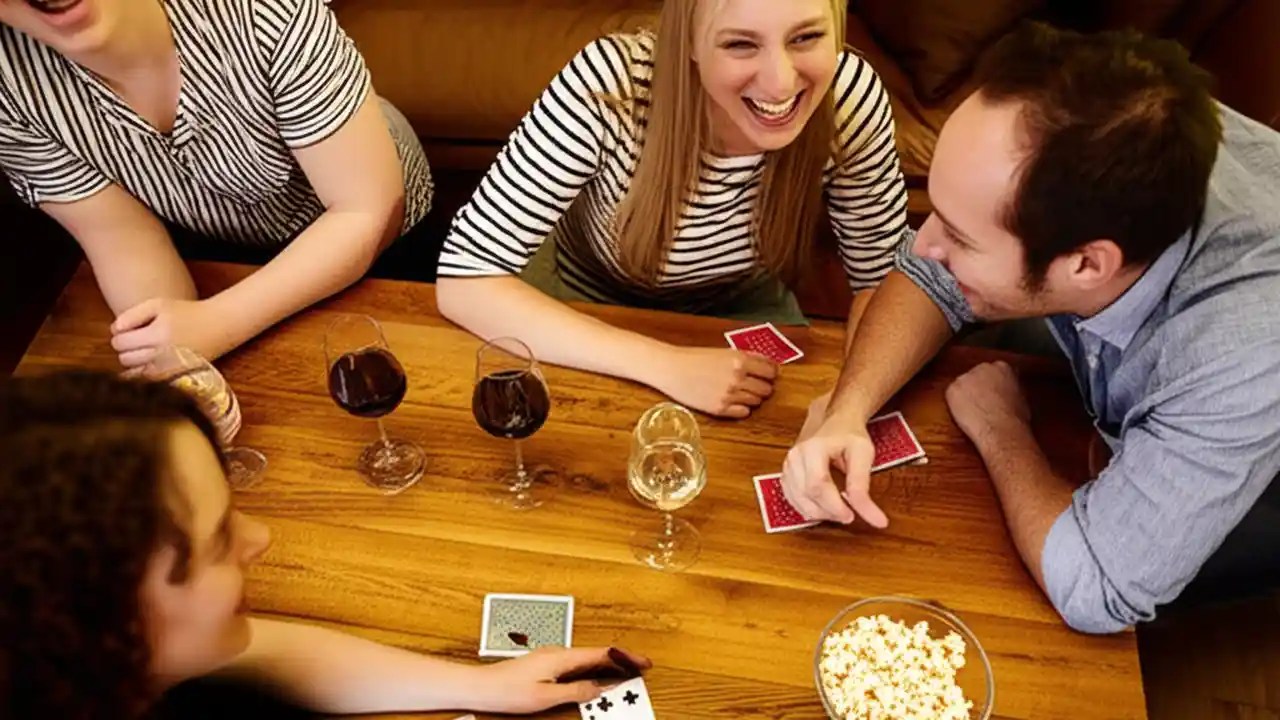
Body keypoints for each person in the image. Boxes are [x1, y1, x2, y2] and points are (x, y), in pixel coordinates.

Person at [781, 23, 1280, 633]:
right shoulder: (1129, 131)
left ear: (1088, 265)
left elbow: (1097, 587)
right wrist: (845, 410)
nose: (923, 243)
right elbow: (927, 276)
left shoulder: (1238, 351)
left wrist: (1002, 431)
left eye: (960, 237)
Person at [0, 371, 650, 719]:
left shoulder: (115, 662)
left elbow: (260, 650)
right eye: (220, 540)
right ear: (102, 622)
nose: (261, 538)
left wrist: (480, 686)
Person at [435, 0, 907, 419]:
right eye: (741, 45)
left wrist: (849, 409)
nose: (781, 82)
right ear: (689, 42)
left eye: (806, 37)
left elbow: (889, 287)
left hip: (742, 304)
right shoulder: (609, 85)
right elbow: (464, 279)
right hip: (580, 296)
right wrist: (666, 364)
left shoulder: (850, 98)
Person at [0, 0, 433, 369]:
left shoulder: (262, 10)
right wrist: (175, 361)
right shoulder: (9, 92)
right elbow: (122, 239)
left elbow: (365, 208)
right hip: (229, 248)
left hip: (382, 230)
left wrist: (217, 323)